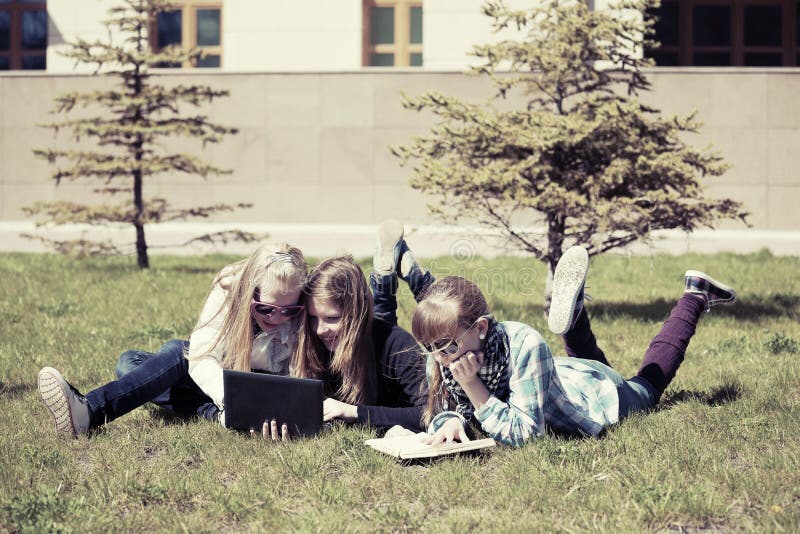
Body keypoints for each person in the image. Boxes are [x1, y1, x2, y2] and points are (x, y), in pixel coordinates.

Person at [373, 222, 737, 447]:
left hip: (596, 398)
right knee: (590, 360)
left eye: (447, 346)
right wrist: (450, 421)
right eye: (432, 347)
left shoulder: (524, 344)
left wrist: (475, 390)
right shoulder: (442, 351)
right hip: (562, 374)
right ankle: (574, 315)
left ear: (482, 328)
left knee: (647, 386)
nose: (440, 357)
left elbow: (527, 436)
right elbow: (438, 408)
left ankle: (695, 293)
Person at [37, 243, 308, 439]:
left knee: (176, 351)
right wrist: (229, 403)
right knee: (130, 362)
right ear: (248, 291)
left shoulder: (302, 310)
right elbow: (202, 355)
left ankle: (90, 411)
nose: (278, 317)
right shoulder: (228, 288)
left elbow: (297, 378)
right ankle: (216, 414)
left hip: (257, 385)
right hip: (215, 379)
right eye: (266, 308)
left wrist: (267, 406)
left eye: (289, 311)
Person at [292, 255, 427, 432]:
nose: (319, 330)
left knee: (386, 316)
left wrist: (355, 412)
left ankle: (394, 279)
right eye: (312, 318)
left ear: (357, 313)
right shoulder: (312, 341)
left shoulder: (399, 346)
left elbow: (430, 413)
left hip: (378, 334)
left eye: (332, 318)